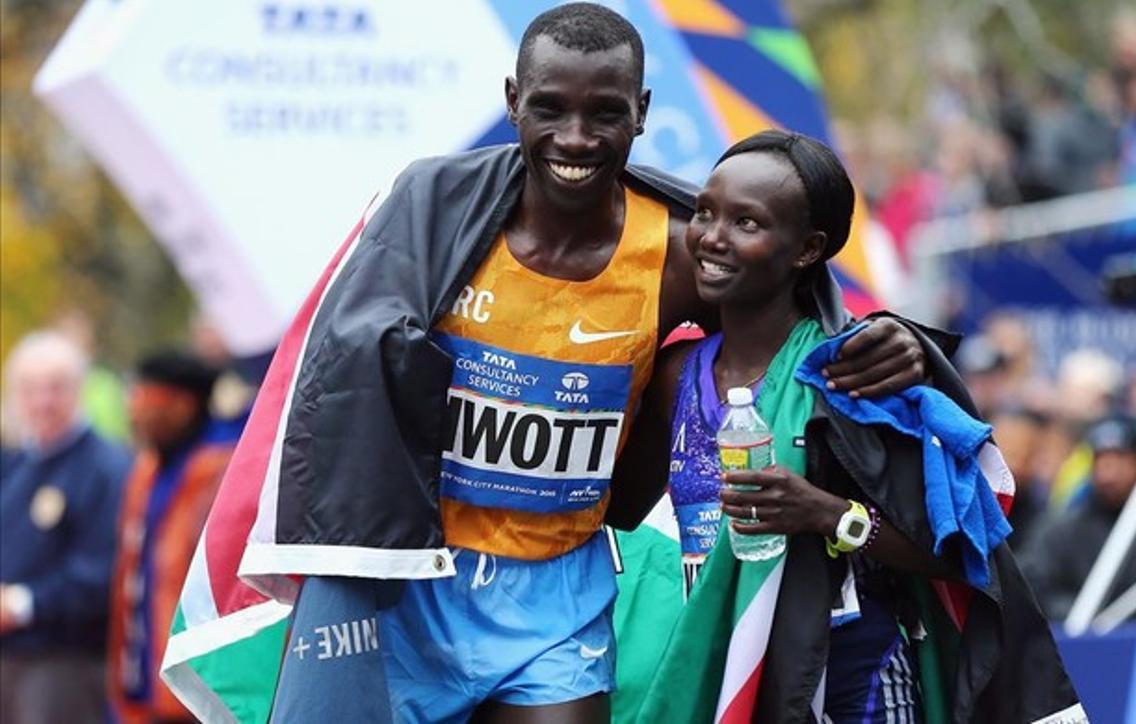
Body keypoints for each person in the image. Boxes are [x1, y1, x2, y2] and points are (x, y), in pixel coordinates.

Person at [176, 5, 945, 722]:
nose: (575, 139)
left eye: (605, 114)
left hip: (557, 595)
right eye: (549, 108)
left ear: (641, 112)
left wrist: (896, 341)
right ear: (513, 101)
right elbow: (333, 366)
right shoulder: (436, 214)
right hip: (415, 585)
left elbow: (794, 319)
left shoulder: (679, 254)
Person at [618, 131, 1082, 722]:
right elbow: (620, 512)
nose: (712, 236)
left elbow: (957, 551)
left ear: (808, 249)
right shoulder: (675, 375)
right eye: (706, 213)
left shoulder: (849, 373)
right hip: (729, 678)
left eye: (746, 223)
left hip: (854, 686)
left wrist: (826, 513)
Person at [0, 331, 131, 724]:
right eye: (30, 389)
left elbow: (103, 572)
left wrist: (21, 604)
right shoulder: (17, 463)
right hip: (12, 655)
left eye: (55, 387)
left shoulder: (107, 469)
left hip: (66, 662)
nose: (43, 401)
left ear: (78, 389)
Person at [109, 351, 239, 723]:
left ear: (183, 405)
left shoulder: (223, 469)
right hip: (141, 671)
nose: (136, 413)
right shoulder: (146, 469)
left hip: (201, 681)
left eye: (147, 401)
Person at [1019, 414, 1136, 621]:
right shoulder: (1063, 529)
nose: (1108, 473)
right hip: (1086, 637)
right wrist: (1079, 616)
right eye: (1101, 459)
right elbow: (1032, 587)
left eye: (1120, 458)